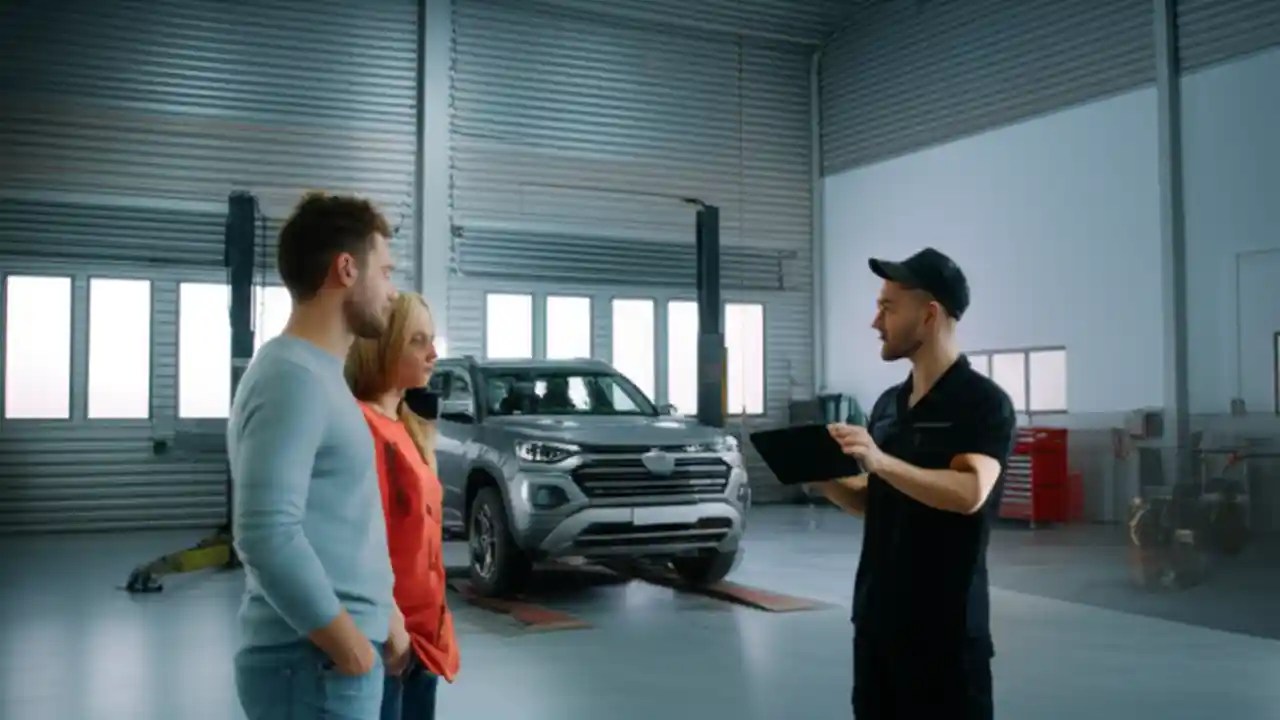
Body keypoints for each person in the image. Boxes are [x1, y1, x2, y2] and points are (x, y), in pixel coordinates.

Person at [228, 191, 412, 720]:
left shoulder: (318, 374)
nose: (393, 292)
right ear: (347, 269)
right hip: (311, 664)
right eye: (386, 271)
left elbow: (338, 518)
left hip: (322, 659)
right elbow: (266, 533)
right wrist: (349, 645)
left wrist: (385, 615)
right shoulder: (292, 378)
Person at [812, 247, 1016, 719]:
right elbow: (878, 500)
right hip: (877, 625)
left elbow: (969, 493)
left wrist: (879, 461)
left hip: (944, 636)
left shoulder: (982, 403)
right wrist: (822, 478)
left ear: (928, 316)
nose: (874, 322)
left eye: (887, 307)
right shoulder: (887, 405)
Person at [345, 292, 461, 720]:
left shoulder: (404, 426)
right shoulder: (364, 427)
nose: (432, 354)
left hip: (422, 638)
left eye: (432, 341)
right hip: (389, 638)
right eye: (418, 341)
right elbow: (359, 541)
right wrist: (393, 629)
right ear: (383, 345)